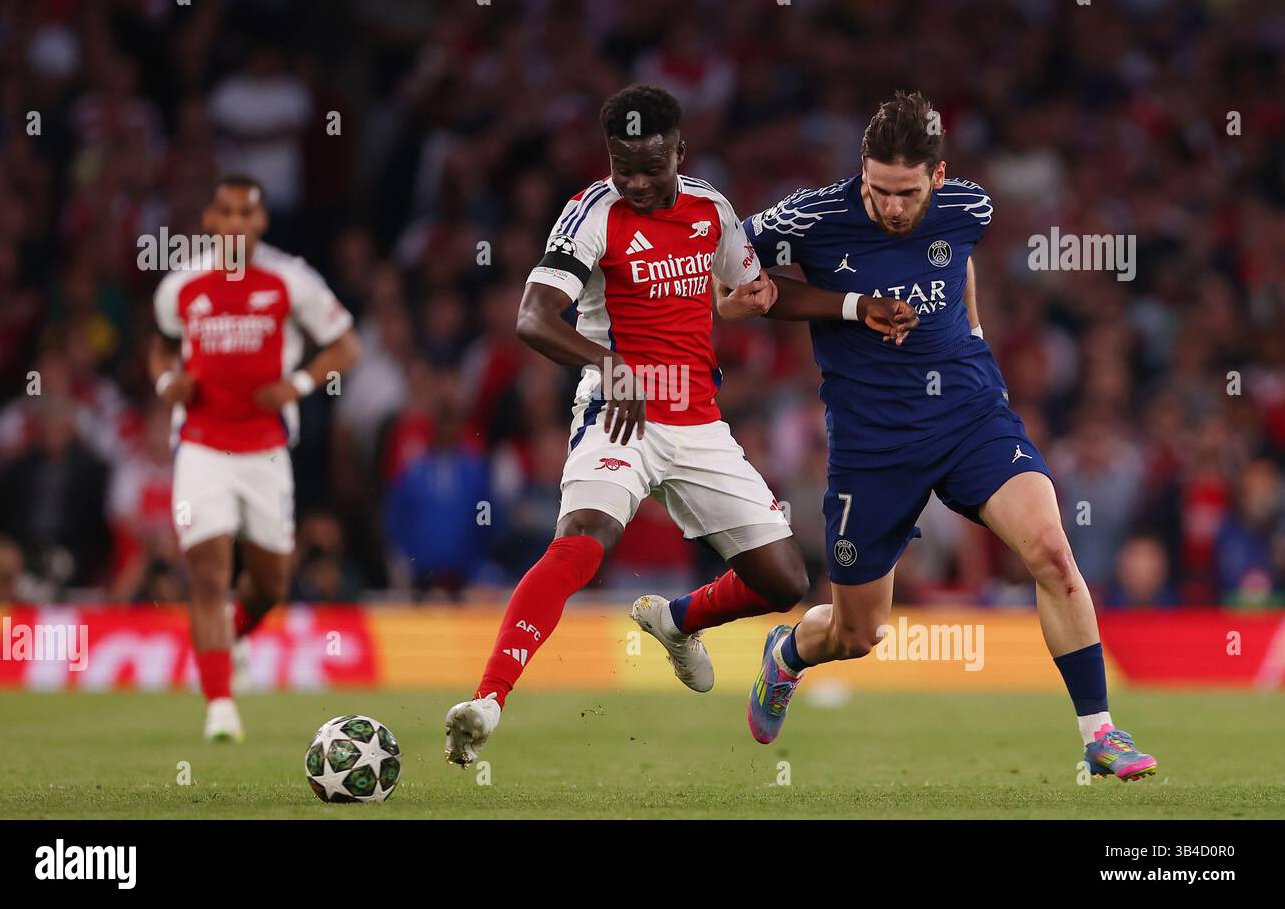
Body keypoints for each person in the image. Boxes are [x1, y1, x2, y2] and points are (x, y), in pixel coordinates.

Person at [442, 84, 913, 766]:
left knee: (783, 582)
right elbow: (534, 317)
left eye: (649, 167)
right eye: (621, 166)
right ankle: (487, 702)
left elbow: (755, 295)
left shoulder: (711, 209)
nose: (634, 182)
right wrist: (609, 367)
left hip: (697, 421)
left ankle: (677, 621)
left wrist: (852, 306)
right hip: (619, 416)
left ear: (680, 153)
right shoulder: (589, 213)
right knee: (583, 538)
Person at [740, 92, 1158, 781]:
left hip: (969, 416)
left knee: (1051, 551)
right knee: (858, 633)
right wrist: (849, 305)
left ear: (937, 176)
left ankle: (1101, 732)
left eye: (907, 193)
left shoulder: (970, 206)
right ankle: (788, 654)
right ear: (861, 171)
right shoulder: (809, 217)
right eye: (878, 190)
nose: (893, 208)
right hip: (874, 446)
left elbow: (956, 258)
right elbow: (736, 286)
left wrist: (974, 331)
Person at [149, 175, 361, 740]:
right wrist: (168, 380)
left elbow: (346, 345)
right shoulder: (181, 285)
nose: (238, 223)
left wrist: (298, 383)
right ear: (211, 220)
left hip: (266, 449)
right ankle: (220, 706)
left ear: (262, 222)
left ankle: (233, 637)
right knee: (208, 573)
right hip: (199, 445)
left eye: (249, 213)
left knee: (270, 584)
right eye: (228, 213)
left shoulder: (290, 280)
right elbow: (161, 344)